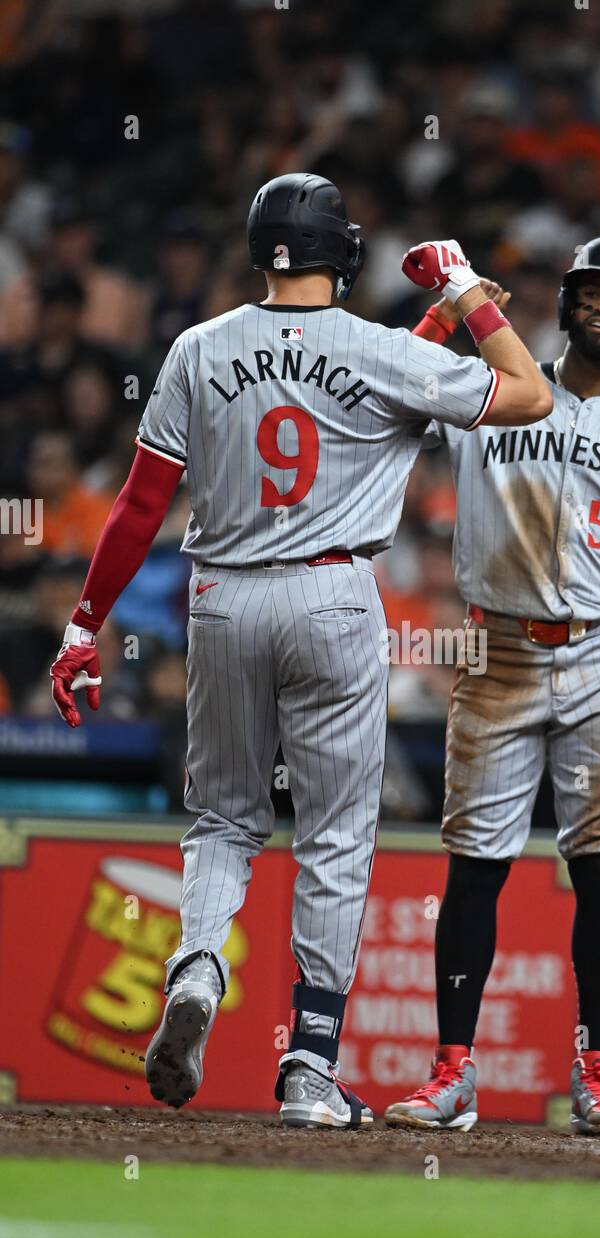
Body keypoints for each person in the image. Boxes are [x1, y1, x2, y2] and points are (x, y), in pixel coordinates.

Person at [48, 172, 551, 1129]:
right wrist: (464, 287)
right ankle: (311, 1068)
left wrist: (83, 625)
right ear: (343, 253)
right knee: (332, 838)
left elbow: (140, 502)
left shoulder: (200, 346)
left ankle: (196, 968)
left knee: (225, 821)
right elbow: (525, 393)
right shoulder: (372, 349)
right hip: (332, 598)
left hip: (225, 601)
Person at [385, 237, 600, 1135]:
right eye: (591, 291)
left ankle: (598, 1075)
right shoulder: (497, 380)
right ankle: (452, 1072)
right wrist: (451, 309)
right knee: (474, 868)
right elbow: (394, 381)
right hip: (497, 648)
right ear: (565, 303)